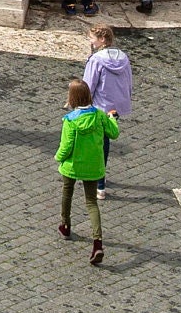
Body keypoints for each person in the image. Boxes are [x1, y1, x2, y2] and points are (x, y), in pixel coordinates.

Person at [55, 79, 117, 265]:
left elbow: (66, 147)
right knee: (91, 202)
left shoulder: (70, 121)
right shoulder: (99, 116)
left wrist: (58, 157)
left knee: (68, 193)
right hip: (93, 166)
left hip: (73, 166)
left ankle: (65, 225)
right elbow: (114, 133)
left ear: (72, 98)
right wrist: (112, 118)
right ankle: (97, 242)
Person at [82, 25, 135, 167]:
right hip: (116, 107)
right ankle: (100, 175)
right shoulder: (123, 58)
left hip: (100, 106)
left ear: (102, 39)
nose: (91, 42)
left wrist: (83, 105)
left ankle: (99, 177)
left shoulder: (96, 60)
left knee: (98, 139)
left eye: (92, 38)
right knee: (105, 137)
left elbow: (88, 85)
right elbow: (129, 81)